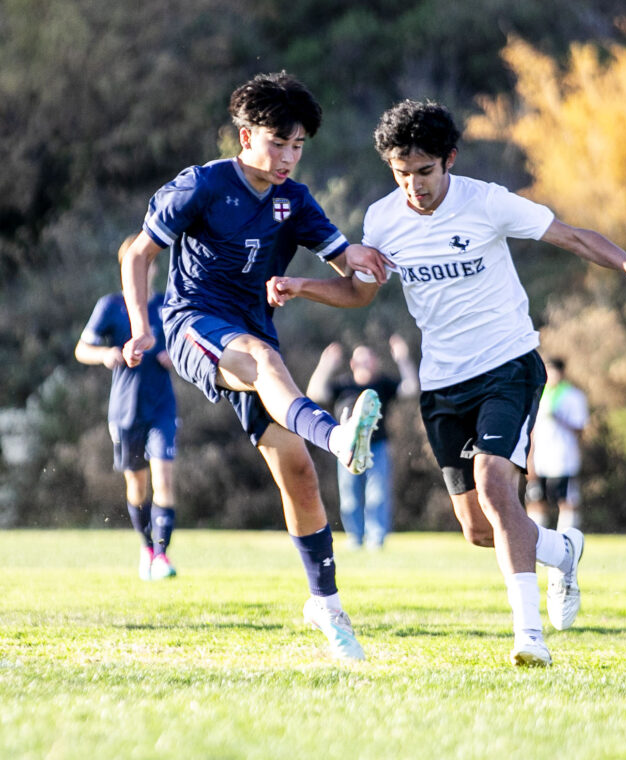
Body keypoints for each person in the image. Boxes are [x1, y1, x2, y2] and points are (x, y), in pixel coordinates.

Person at [267, 99, 626, 666]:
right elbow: (360, 292)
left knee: (496, 484)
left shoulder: (487, 202)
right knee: (480, 529)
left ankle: (529, 637)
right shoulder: (383, 219)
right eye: (402, 174)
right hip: (442, 385)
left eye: (425, 172)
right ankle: (562, 551)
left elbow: (572, 237)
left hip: (508, 365)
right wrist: (300, 286)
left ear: (449, 160)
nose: (415, 186)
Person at [119, 72, 390, 661]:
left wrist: (344, 272)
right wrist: (142, 326)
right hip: (193, 324)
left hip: (250, 338)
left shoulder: (297, 200)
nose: (288, 156)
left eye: (298, 146)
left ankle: (326, 603)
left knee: (297, 470)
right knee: (267, 360)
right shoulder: (203, 185)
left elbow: (354, 292)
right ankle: (339, 435)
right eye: (278, 142)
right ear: (245, 136)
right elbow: (136, 253)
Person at [75, 235, 178, 581]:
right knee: (138, 487)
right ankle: (146, 548)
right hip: (125, 411)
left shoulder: (167, 306)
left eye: (148, 263)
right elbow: (82, 349)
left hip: (161, 407)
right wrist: (106, 354)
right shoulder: (110, 307)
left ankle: (162, 556)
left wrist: (173, 358)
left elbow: (188, 347)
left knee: (164, 477)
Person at [307, 334, 419, 549]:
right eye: (360, 360)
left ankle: (376, 540)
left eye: (368, 359)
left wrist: (403, 359)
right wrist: (325, 365)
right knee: (349, 497)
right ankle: (355, 539)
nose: (364, 364)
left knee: (377, 496)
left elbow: (411, 389)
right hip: (347, 450)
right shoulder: (343, 385)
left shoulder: (382, 384)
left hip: (378, 448)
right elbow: (314, 393)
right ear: (352, 364)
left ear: (375, 362)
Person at [525, 357, 589, 532]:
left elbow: (580, 428)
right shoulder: (538, 395)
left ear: (562, 373)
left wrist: (559, 419)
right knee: (536, 499)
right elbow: (530, 430)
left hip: (563, 457)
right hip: (540, 458)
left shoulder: (573, 396)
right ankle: (536, 539)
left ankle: (566, 538)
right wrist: (528, 458)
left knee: (566, 499)